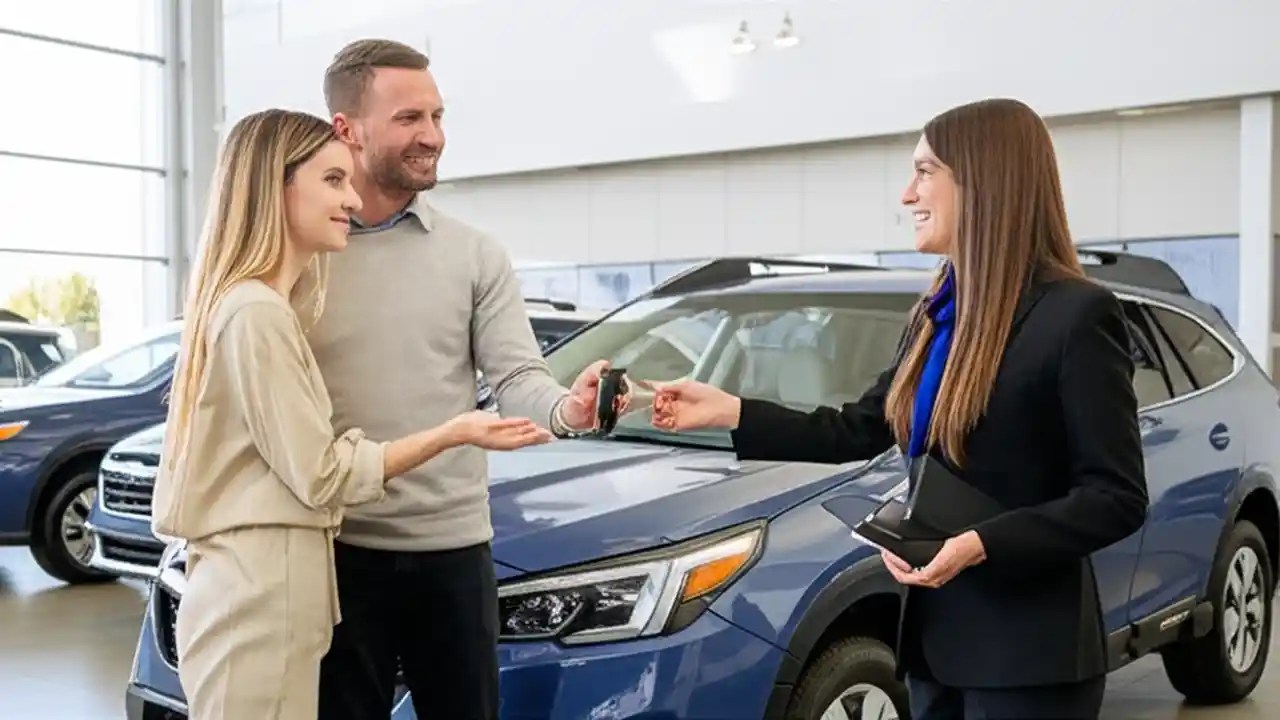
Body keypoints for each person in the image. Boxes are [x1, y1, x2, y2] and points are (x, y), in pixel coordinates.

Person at [647, 98, 1149, 719]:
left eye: (924, 171)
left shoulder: (1076, 315)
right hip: (933, 646)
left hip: (1027, 660)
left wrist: (980, 543)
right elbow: (860, 429)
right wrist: (731, 412)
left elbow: (1115, 497)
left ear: (983, 179)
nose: (907, 193)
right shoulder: (939, 314)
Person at [150, 108, 554, 720]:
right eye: (333, 182)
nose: (352, 201)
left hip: (267, 589)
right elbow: (322, 475)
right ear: (276, 186)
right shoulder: (256, 312)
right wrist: (454, 431)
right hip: (259, 596)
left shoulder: (260, 305)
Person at [311, 39, 619, 720]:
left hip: (451, 552)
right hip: (331, 551)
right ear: (346, 128)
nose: (433, 137)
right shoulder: (303, 253)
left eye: (438, 116)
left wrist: (570, 407)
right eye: (409, 119)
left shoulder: (474, 254)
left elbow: (518, 377)